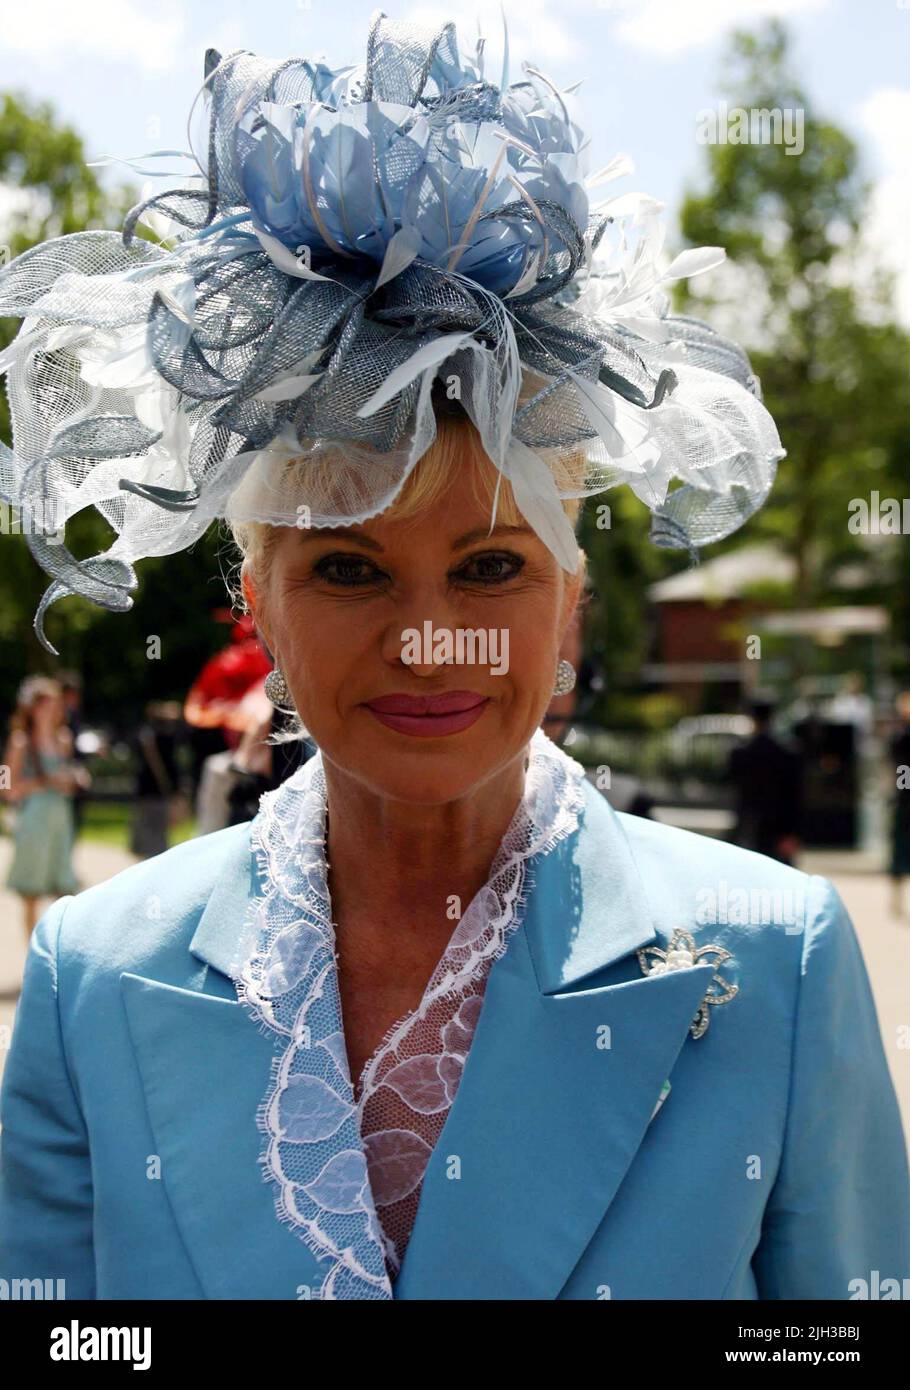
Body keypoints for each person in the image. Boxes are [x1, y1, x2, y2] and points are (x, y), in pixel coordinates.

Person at [0, 16, 906, 1301]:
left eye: (490, 567)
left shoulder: (776, 961)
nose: (429, 638)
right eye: (350, 568)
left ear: (570, 613)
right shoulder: (94, 978)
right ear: (257, 601)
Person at [1, 676, 87, 938]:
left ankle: (56, 952)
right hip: (34, 819)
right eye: (46, 705)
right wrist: (39, 783)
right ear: (33, 708)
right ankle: (32, 954)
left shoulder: (64, 739)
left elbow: (70, 775)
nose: (52, 710)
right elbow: (5, 782)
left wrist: (72, 781)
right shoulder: (20, 741)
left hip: (60, 816)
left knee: (63, 888)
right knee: (32, 891)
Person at [729, 698, 803, 865]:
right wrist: (794, 832)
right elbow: (795, 794)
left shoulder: (741, 752)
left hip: (749, 825)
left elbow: (732, 784)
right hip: (780, 826)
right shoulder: (787, 752)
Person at [888, 691, 910, 917]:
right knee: (900, 850)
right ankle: (896, 898)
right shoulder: (901, 737)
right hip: (905, 801)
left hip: (904, 799)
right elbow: (902, 771)